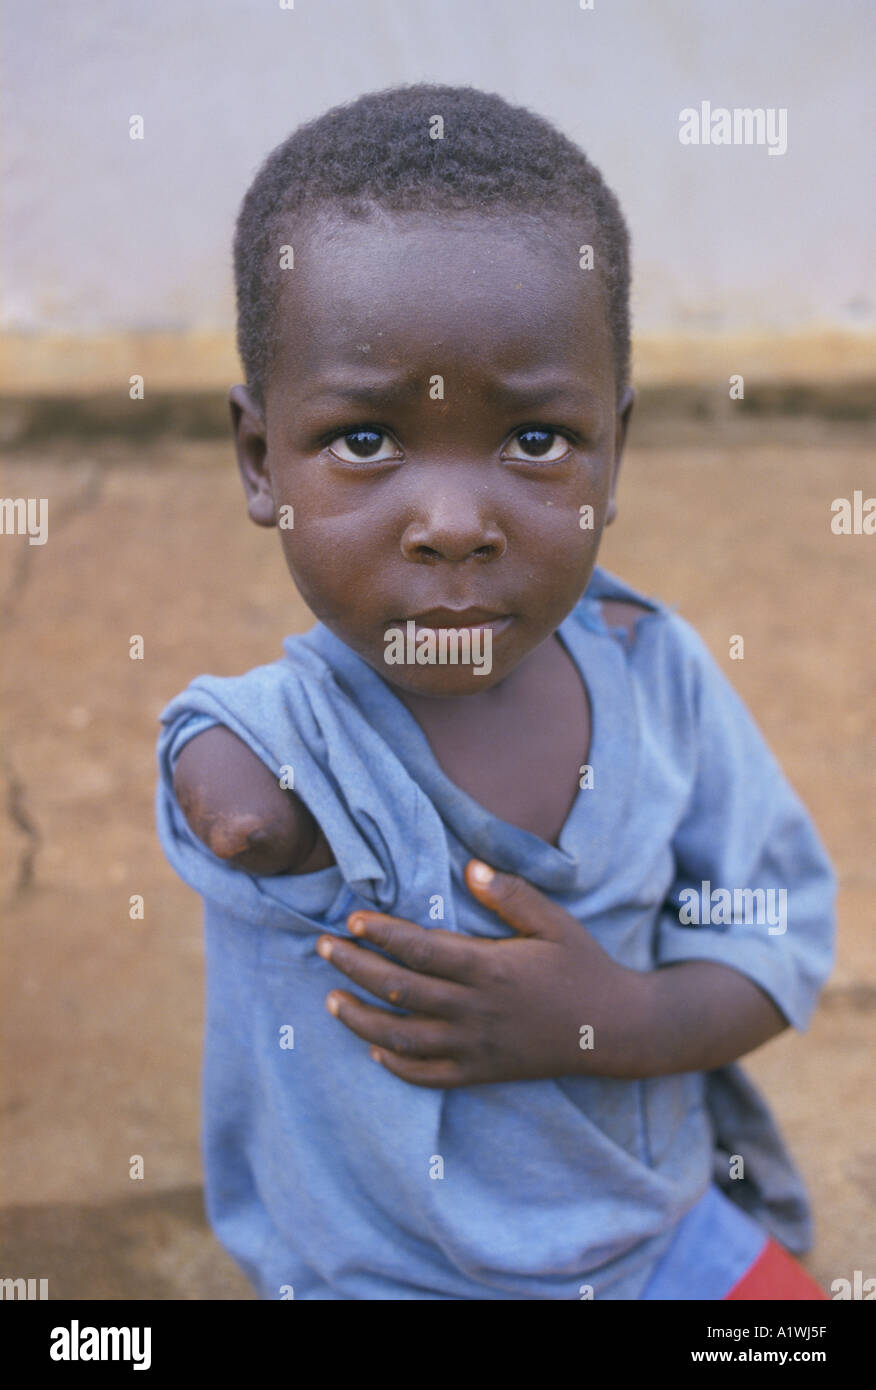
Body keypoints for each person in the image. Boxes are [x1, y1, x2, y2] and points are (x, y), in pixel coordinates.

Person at [156, 84, 835, 1300]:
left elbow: (772, 937)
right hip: (377, 1277)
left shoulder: (656, 669)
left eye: (533, 441)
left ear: (612, 453)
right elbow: (229, 788)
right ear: (262, 460)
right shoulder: (284, 737)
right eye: (365, 439)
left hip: (653, 1242)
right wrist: (257, 820)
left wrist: (606, 1019)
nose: (457, 525)